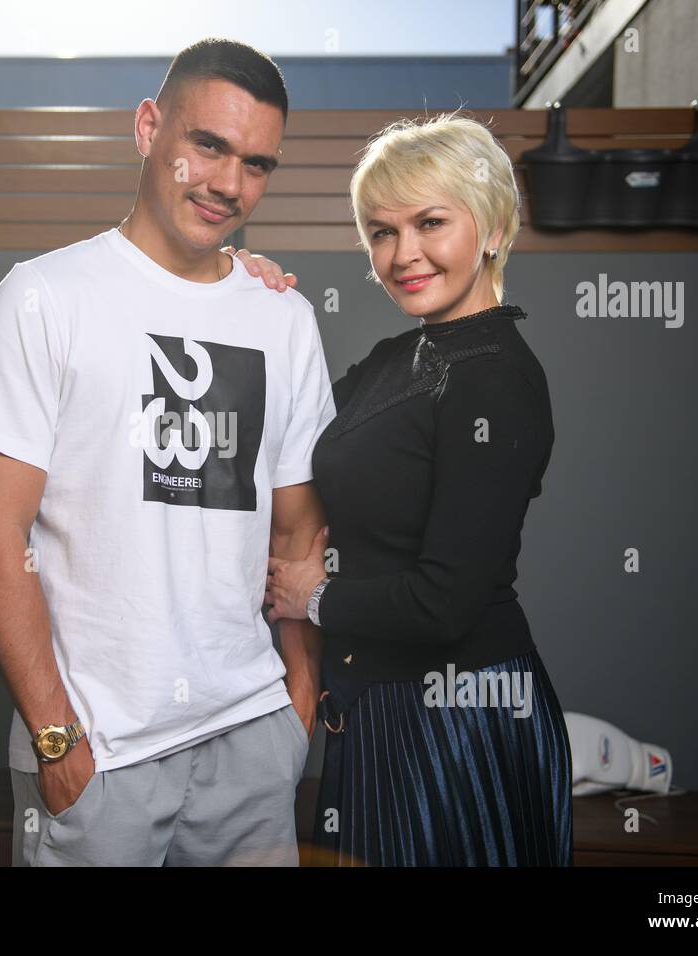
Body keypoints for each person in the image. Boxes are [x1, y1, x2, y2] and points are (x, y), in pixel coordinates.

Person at [0, 38, 335, 866]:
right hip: (97, 753)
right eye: (209, 146)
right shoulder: (44, 299)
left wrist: (298, 707)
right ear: (149, 128)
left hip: (249, 744)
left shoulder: (284, 319)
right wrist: (59, 745)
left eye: (257, 164)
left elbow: (298, 534)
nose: (230, 184)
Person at [254, 111, 573, 865]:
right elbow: (291, 432)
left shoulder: (497, 377)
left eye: (431, 223)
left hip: (458, 723)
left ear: (492, 227)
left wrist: (314, 595)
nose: (403, 255)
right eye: (381, 232)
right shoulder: (401, 355)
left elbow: (446, 601)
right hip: (377, 711)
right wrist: (249, 292)